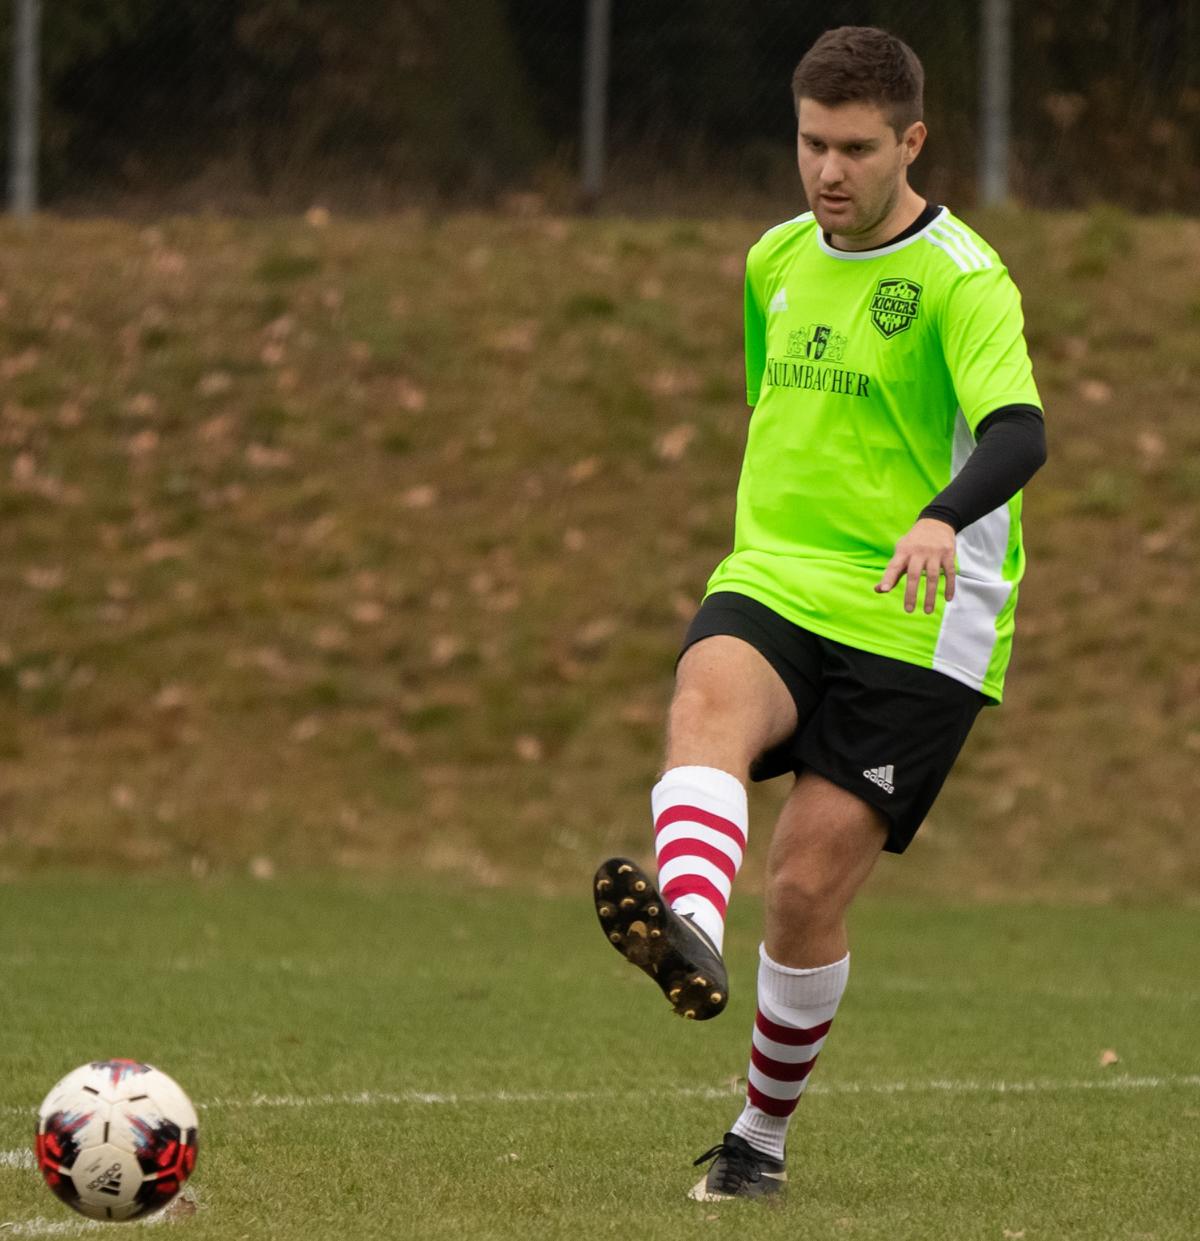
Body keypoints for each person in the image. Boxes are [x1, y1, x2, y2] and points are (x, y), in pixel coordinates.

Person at [593, 25, 1047, 1202]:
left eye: (854, 147)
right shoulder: (772, 261)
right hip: (781, 574)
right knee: (707, 698)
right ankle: (687, 924)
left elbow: (1018, 431)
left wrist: (943, 514)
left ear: (911, 142)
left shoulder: (963, 277)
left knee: (801, 891)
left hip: (921, 614)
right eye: (810, 143)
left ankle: (760, 1135)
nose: (827, 170)